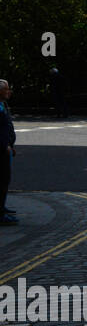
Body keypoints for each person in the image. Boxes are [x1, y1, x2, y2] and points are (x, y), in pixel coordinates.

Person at [0, 80, 15, 226]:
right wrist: (5, 145)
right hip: (2, 150)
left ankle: (2, 209)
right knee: (2, 181)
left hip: (6, 148)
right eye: (6, 89)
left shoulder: (3, 105)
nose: (8, 91)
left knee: (5, 181)